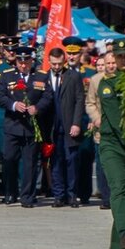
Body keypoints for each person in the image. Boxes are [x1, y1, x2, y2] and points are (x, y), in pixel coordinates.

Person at [85, 42, 125, 249]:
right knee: (119, 189)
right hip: (112, 144)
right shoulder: (106, 85)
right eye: (119, 57)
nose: (122, 61)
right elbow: (115, 120)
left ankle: (118, 248)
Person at [0, 45, 52, 208]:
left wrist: (38, 107)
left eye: (26, 61)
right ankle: (10, 191)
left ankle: (27, 195)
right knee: (9, 159)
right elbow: (1, 97)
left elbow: (48, 97)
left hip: (31, 127)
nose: (23, 65)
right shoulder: (7, 76)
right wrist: (13, 105)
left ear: (31, 61)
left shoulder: (40, 76)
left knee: (30, 163)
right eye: (20, 62)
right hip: (13, 124)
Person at [45, 46, 85, 207]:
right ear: (48, 61)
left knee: (71, 161)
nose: (56, 67)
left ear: (64, 61)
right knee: (56, 162)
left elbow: (79, 100)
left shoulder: (73, 76)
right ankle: (58, 195)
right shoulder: (44, 77)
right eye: (53, 64)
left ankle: (72, 195)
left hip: (69, 125)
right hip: (52, 127)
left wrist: (76, 123)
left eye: (59, 64)